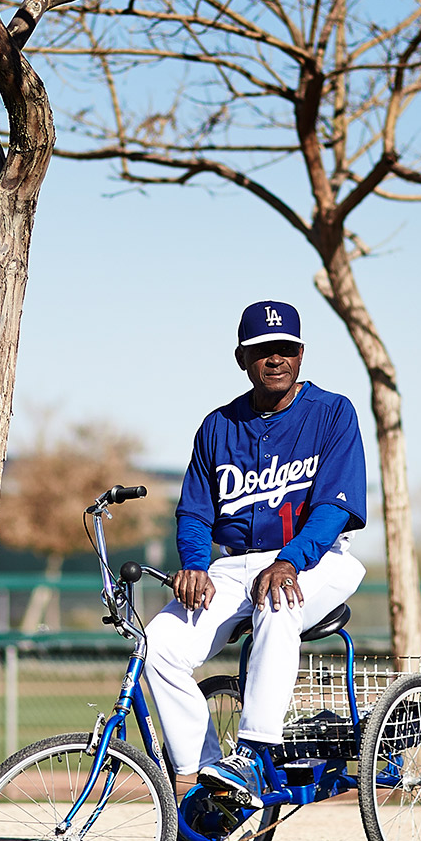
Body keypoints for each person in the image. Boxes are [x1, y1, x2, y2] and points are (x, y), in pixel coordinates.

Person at [143, 300, 369, 807]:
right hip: (233, 564)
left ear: (301, 354)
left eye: (284, 348)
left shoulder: (333, 412)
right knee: (160, 642)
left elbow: (335, 507)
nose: (275, 359)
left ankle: (252, 753)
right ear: (242, 359)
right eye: (261, 350)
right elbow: (195, 513)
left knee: (277, 599)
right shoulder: (217, 427)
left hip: (317, 559)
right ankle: (201, 776)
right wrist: (195, 566)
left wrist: (290, 560)